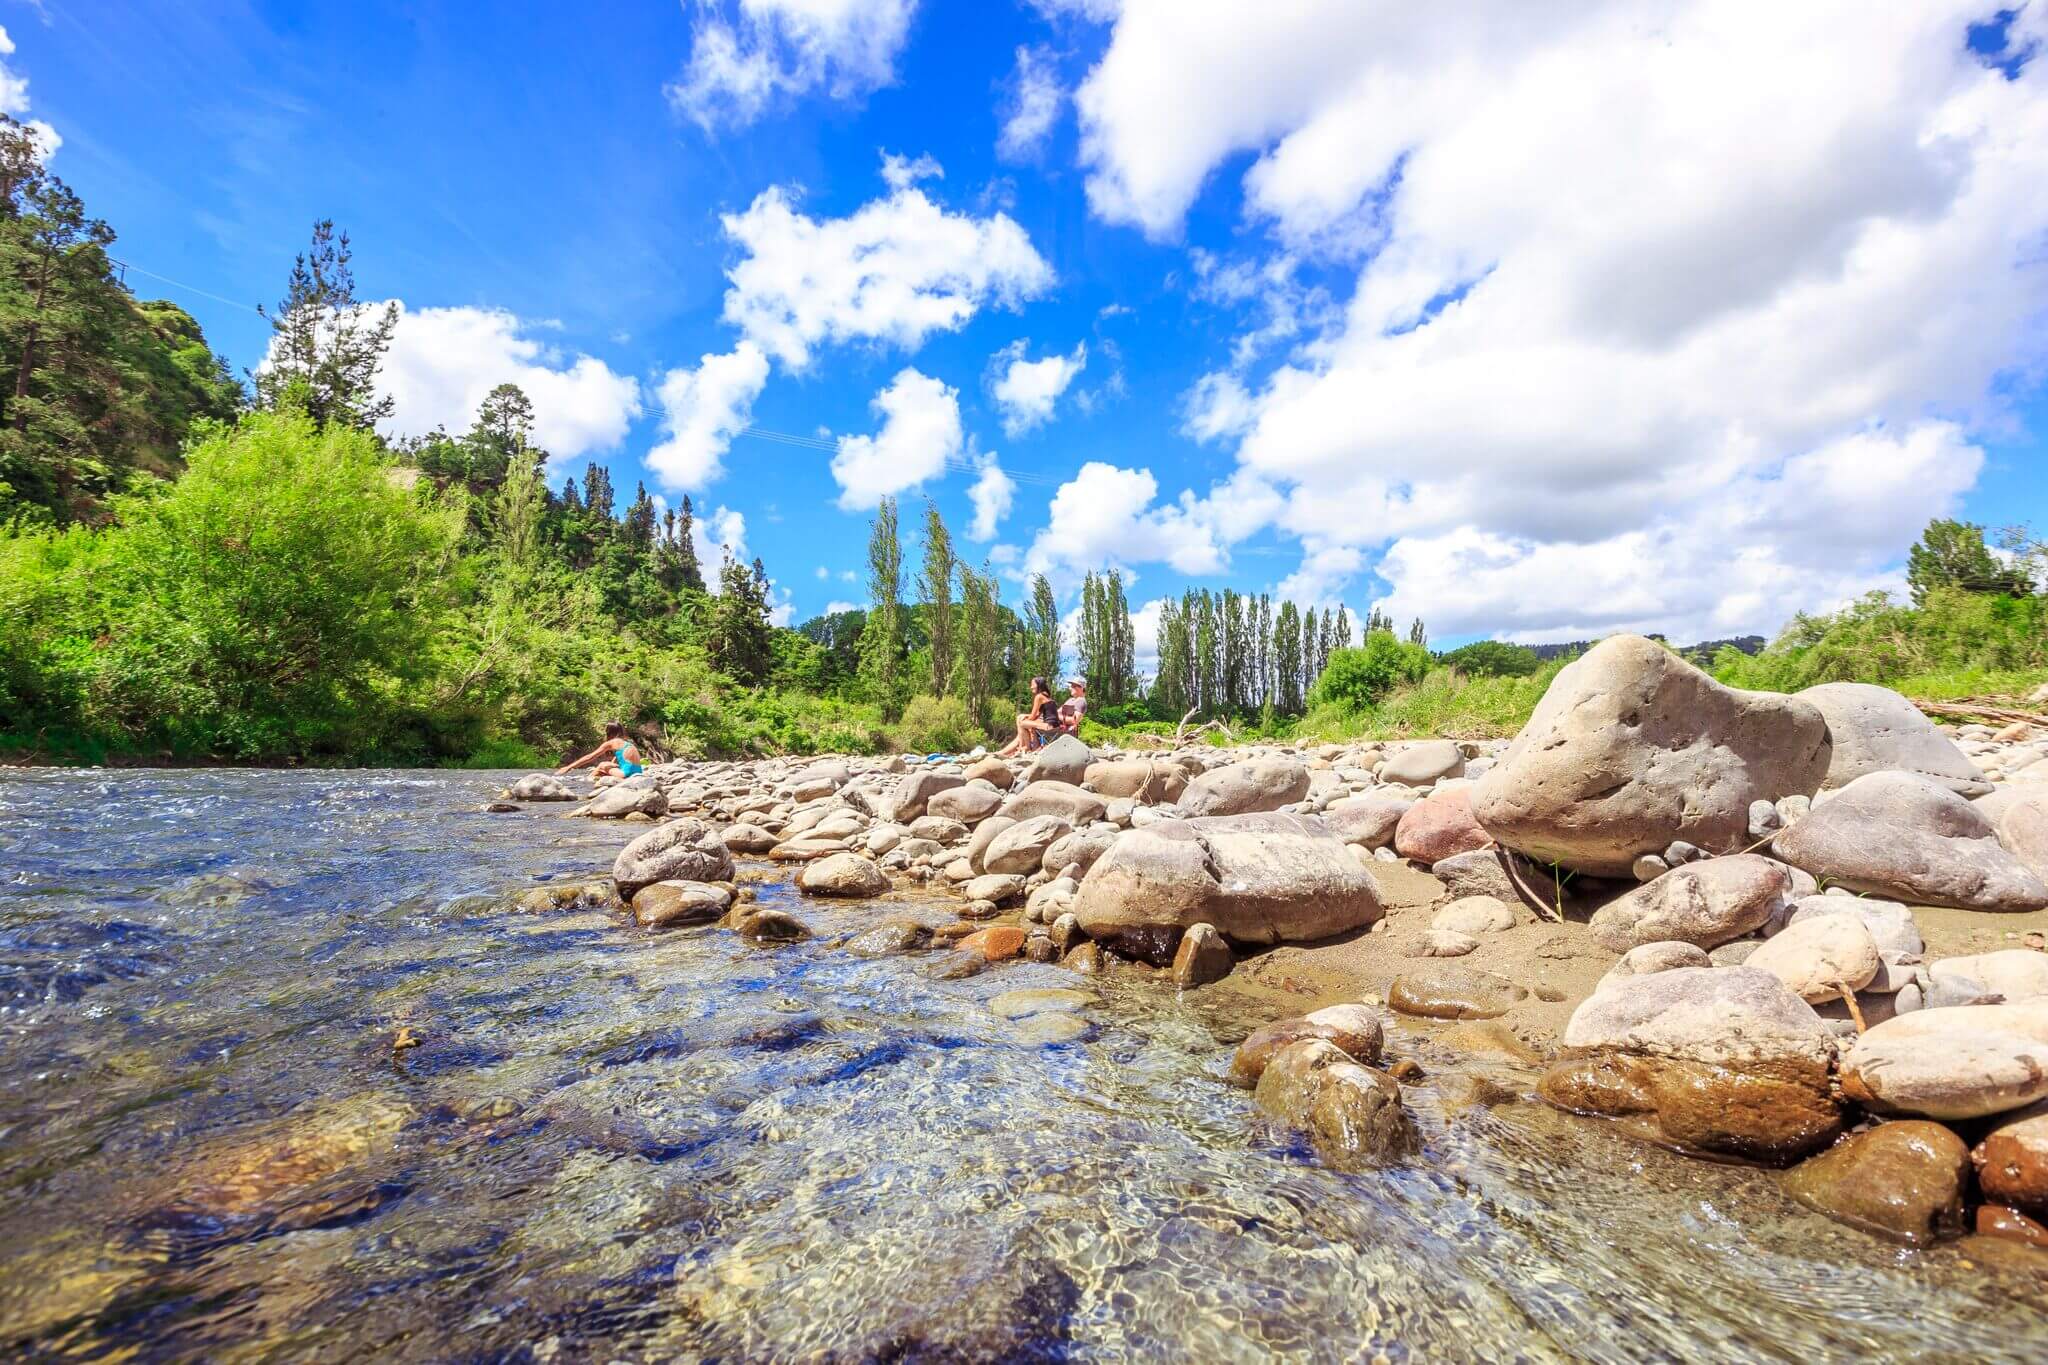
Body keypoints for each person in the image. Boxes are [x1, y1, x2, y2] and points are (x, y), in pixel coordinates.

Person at [557, 722, 644, 782]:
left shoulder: (611, 743)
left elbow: (590, 757)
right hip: (638, 773)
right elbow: (622, 759)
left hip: (626, 774)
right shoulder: (627, 744)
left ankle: (586, 781)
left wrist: (568, 767)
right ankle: (592, 779)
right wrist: (611, 764)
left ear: (609, 732)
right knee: (604, 766)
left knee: (602, 765)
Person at [996, 676, 1059, 757]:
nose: (1031, 687)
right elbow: (1037, 715)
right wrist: (1025, 716)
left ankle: (1026, 747)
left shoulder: (1039, 696)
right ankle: (1021, 747)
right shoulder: (1046, 696)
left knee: (1021, 723)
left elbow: (1033, 717)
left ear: (1038, 684)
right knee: (1021, 720)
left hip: (1048, 726)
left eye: (1032, 684)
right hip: (1053, 725)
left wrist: (1024, 719)